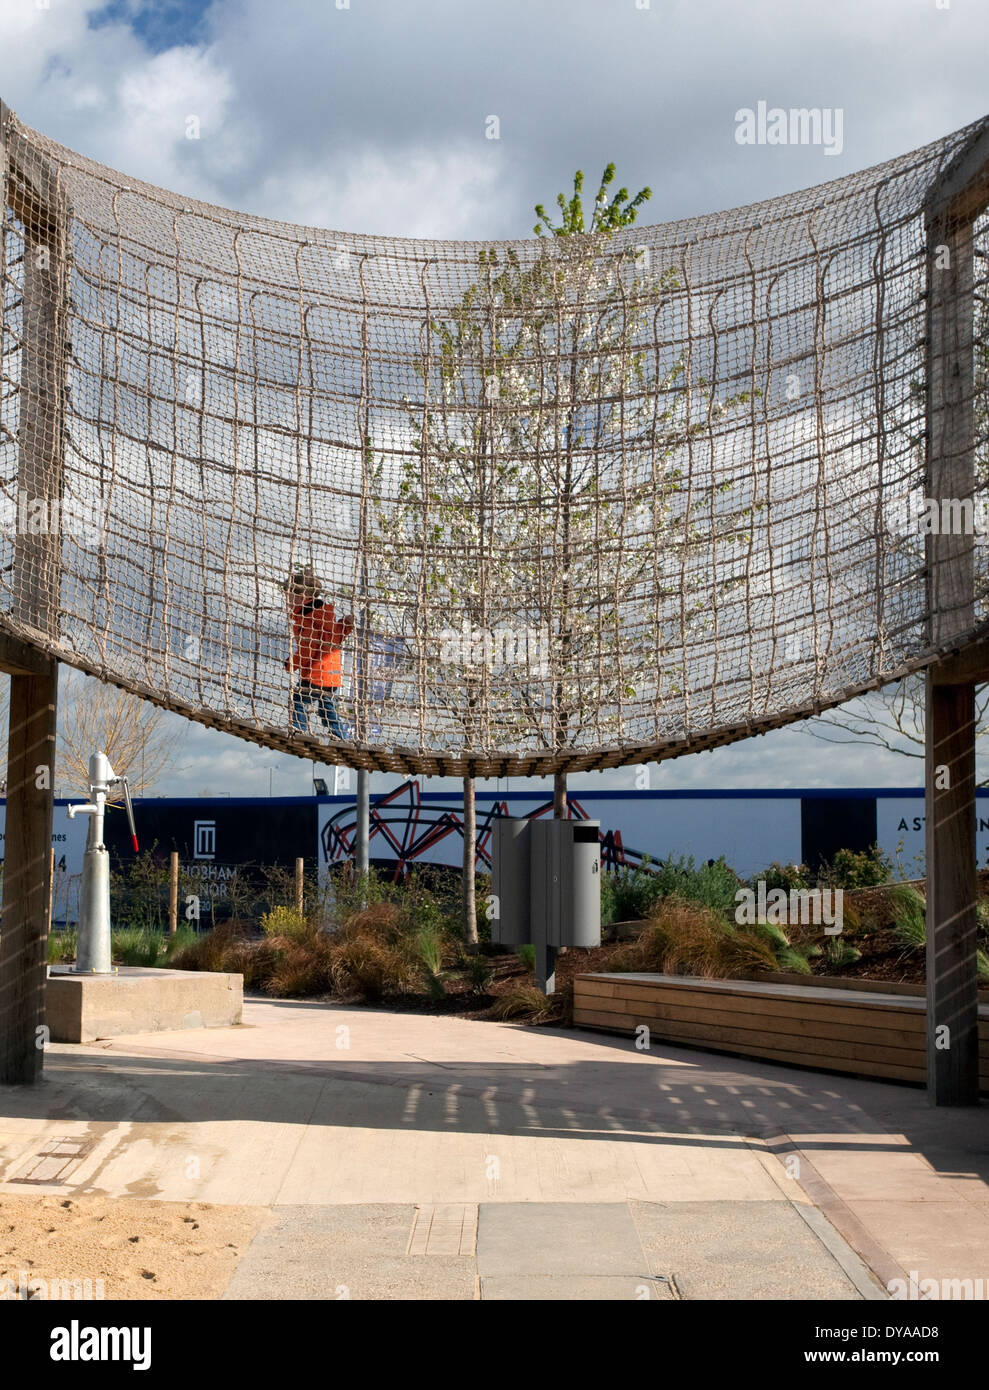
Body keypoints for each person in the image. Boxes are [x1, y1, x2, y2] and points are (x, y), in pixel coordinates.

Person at [283, 564, 354, 739]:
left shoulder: (306, 618)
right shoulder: (326, 614)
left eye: (288, 596)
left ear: (301, 597)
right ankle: (340, 735)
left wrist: (291, 664)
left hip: (316, 672)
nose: (286, 600)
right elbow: (337, 635)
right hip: (333, 674)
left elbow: (308, 648)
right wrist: (346, 624)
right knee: (326, 705)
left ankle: (298, 729)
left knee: (298, 699)